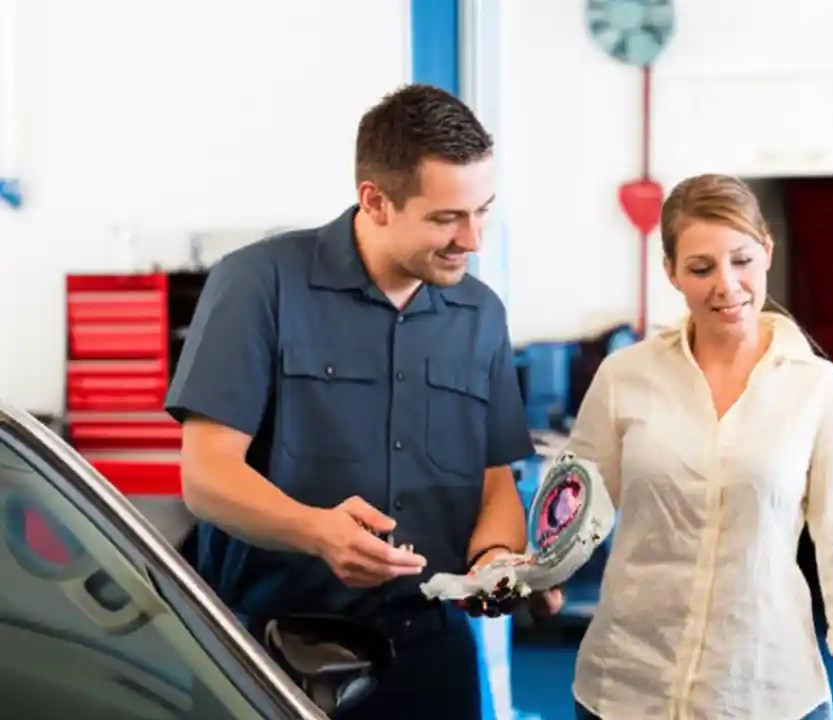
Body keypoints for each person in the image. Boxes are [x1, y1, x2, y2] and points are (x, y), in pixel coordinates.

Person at [164, 83, 558, 719]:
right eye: (446, 218)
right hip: (274, 654)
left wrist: (494, 560)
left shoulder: (480, 314)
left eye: (482, 210)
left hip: (430, 652)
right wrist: (315, 531)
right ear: (375, 200)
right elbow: (206, 477)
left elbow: (493, 482)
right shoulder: (259, 285)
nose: (473, 239)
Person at [564, 173, 833, 720]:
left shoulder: (819, 390)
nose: (727, 285)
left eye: (742, 260)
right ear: (672, 271)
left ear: (767, 251)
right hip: (627, 691)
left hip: (763, 692)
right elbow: (573, 511)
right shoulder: (624, 377)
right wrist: (536, 576)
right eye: (701, 268)